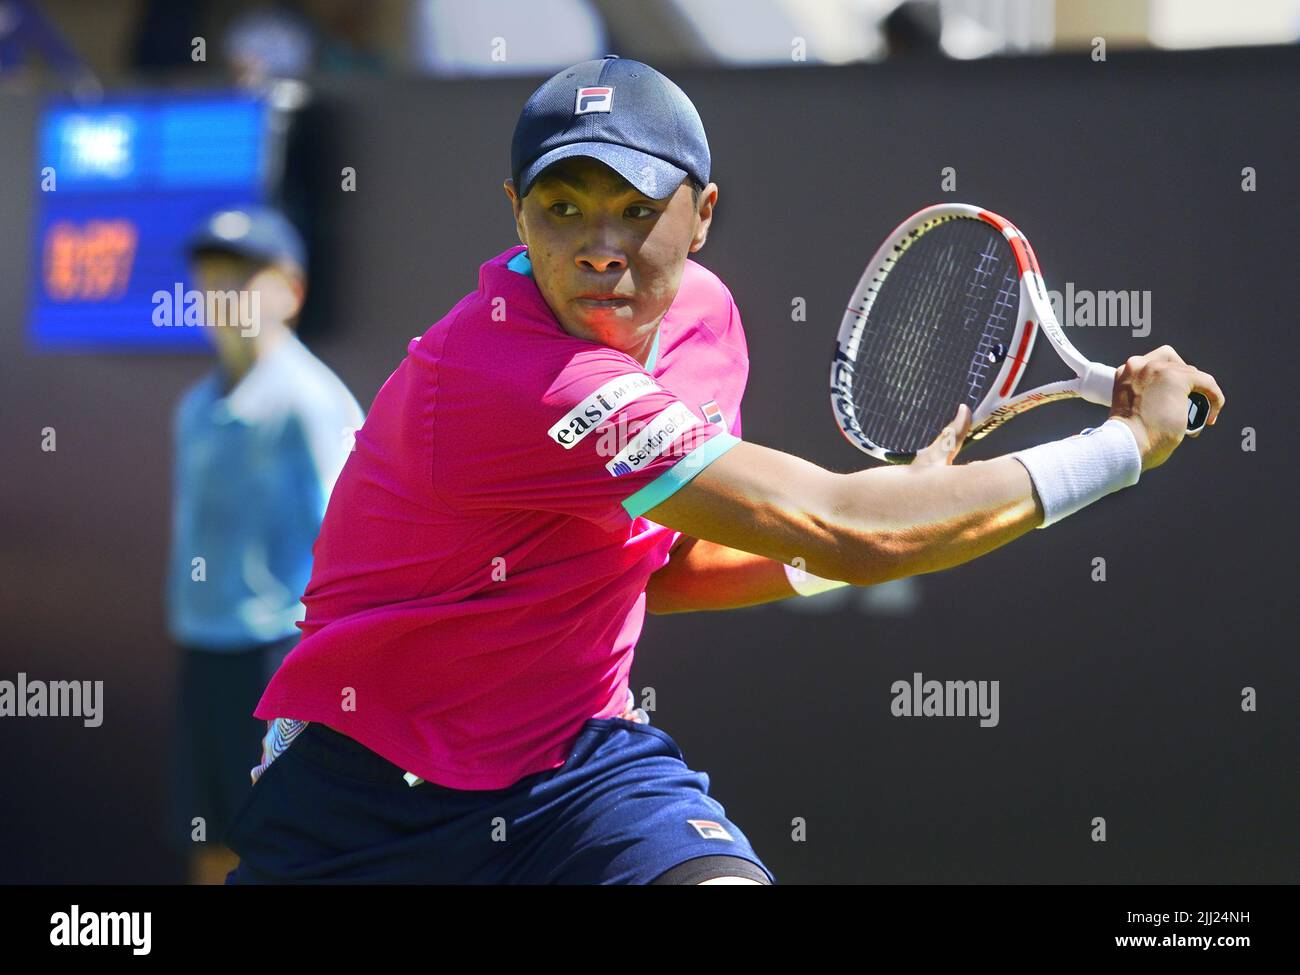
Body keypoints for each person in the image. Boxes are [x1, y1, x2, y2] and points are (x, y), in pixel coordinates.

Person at [223, 57, 1224, 886]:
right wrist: (1122, 447)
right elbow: (844, 526)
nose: (599, 247)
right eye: (561, 208)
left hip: (573, 767)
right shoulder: (508, 373)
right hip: (364, 796)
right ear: (515, 217)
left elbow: (663, 566)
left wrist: (874, 534)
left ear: (700, 213)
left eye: (633, 206)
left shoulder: (703, 320)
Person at [166, 204, 364, 885]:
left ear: (292, 291)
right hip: (205, 655)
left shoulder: (312, 402)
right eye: (211, 277)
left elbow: (356, 542)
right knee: (209, 833)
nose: (223, 294)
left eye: (243, 277)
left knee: (279, 851)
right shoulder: (195, 406)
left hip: (280, 662)